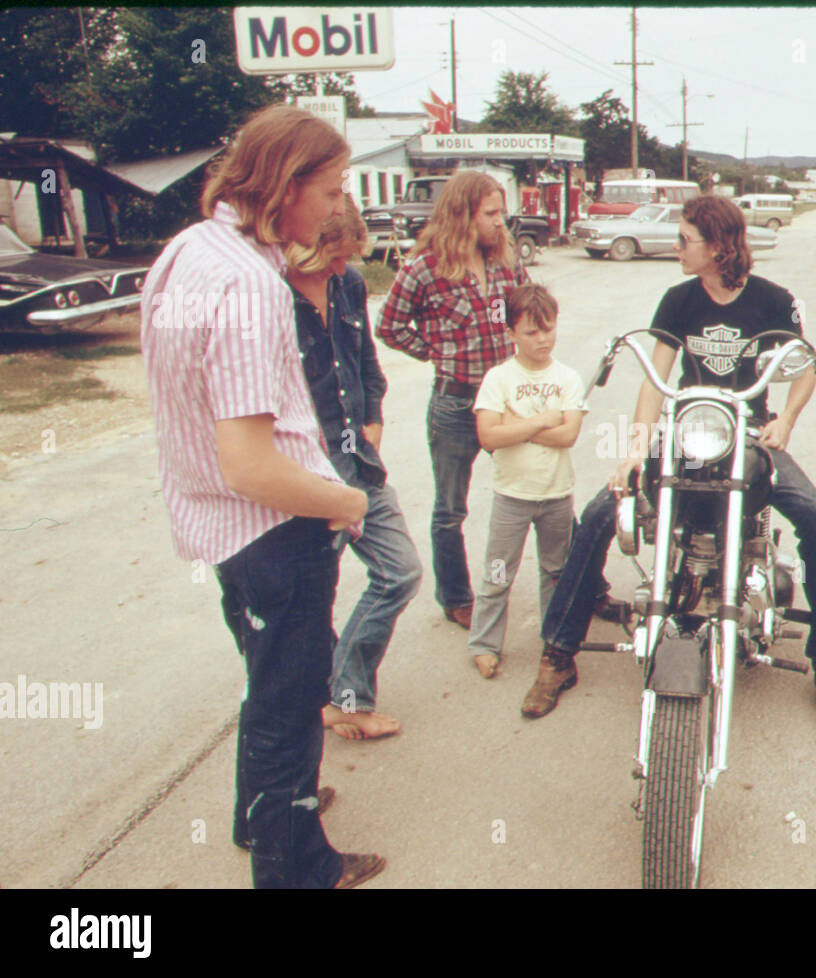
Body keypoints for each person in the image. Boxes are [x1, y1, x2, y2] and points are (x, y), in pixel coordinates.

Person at [139, 104, 384, 888]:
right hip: (273, 527)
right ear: (285, 184)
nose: (336, 207)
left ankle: (263, 813)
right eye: (331, 188)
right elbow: (248, 463)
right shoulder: (249, 285)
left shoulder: (190, 249)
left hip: (217, 527)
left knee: (265, 681)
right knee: (289, 703)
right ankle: (296, 868)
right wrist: (344, 503)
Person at [521, 195, 816, 737]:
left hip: (749, 434)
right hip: (685, 434)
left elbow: (805, 367)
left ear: (719, 247)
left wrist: (786, 422)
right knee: (602, 513)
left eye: (683, 240)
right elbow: (656, 381)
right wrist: (636, 448)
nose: (675, 248)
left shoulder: (774, 301)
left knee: (814, 516)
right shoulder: (677, 300)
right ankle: (557, 653)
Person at [284, 197, 422, 740]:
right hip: (306, 472)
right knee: (310, 600)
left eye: (349, 259)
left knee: (401, 571)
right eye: (333, 258)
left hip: (358, 460)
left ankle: (342, 693)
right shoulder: (269, 297)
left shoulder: (349, 286)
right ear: (302, 247)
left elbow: (365, 359)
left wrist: (373, 420)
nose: (342, 270)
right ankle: (322, 707)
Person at [376, 171, 526, 631]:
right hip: (456, 406)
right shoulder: (423, 268)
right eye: (491, 214)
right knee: (450, 510)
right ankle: (456, 597)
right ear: (463, 215)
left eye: (502, 212)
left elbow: (526, 307)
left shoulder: (505, 261)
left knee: (539, 489)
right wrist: (436, 352)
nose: (501, 223)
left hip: (507, 402)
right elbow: (390, 326)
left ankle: (577, 584)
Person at [467, 284, 586, 679]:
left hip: (556, 493)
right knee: (498, 570)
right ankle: (484, 642)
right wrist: (539, 421)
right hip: (512, 495)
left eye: (548, 329)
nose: (542, 339)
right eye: (532, 332)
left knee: (556, 572)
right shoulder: (498, 378)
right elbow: (488, 436)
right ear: (511, 333)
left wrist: (513, 426)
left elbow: (568, 435)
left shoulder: (567, 378)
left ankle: (554, 641)